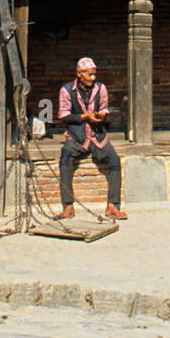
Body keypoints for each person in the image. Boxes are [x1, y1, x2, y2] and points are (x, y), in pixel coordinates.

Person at [57, 56, 127, 221]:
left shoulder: (100, 88)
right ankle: (68, 206)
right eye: (89, 74)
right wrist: (84, 117)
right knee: (65, 160)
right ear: (79, 74)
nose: (93, 78)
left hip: (97, 136)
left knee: (114, 160)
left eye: (94, 74)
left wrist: (101, 116)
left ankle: (113, 206)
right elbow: (64, 116)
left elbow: (104, 109)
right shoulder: (66, 90)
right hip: (76, 137)